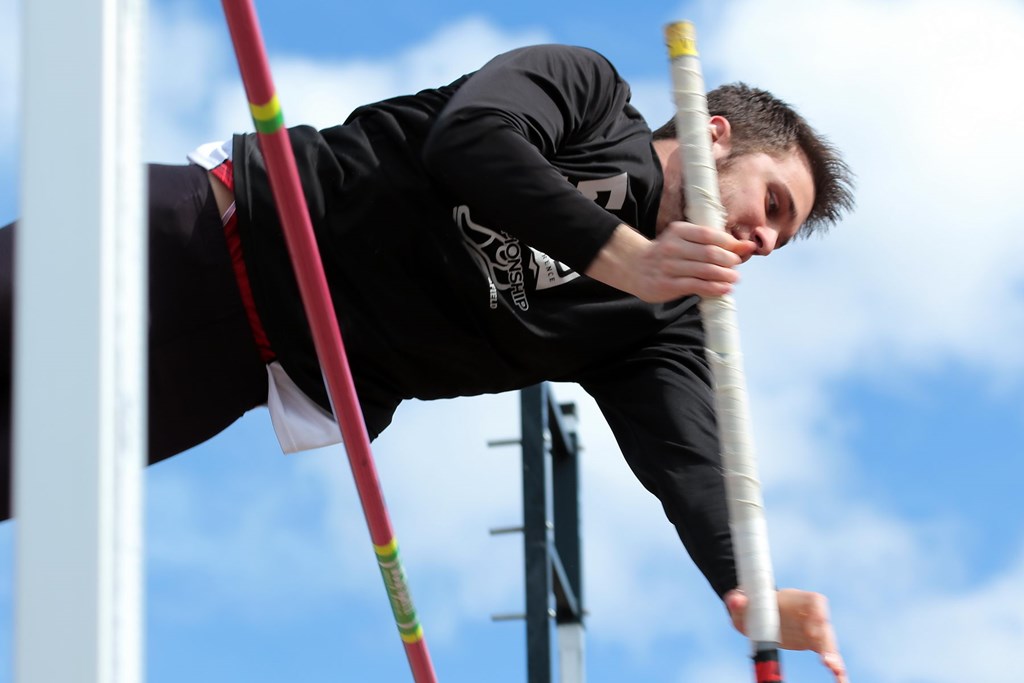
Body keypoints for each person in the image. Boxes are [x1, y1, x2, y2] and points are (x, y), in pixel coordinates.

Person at [0, 44, 853, 680]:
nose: (765, 239)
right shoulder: (590, 94)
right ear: (714, 139)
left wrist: (751, 587)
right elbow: (470, 141)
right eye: (772, 203)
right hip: (199, 234)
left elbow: (693, 462)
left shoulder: (654, 325)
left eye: (780, 240)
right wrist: (614, 251)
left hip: (234, 368)